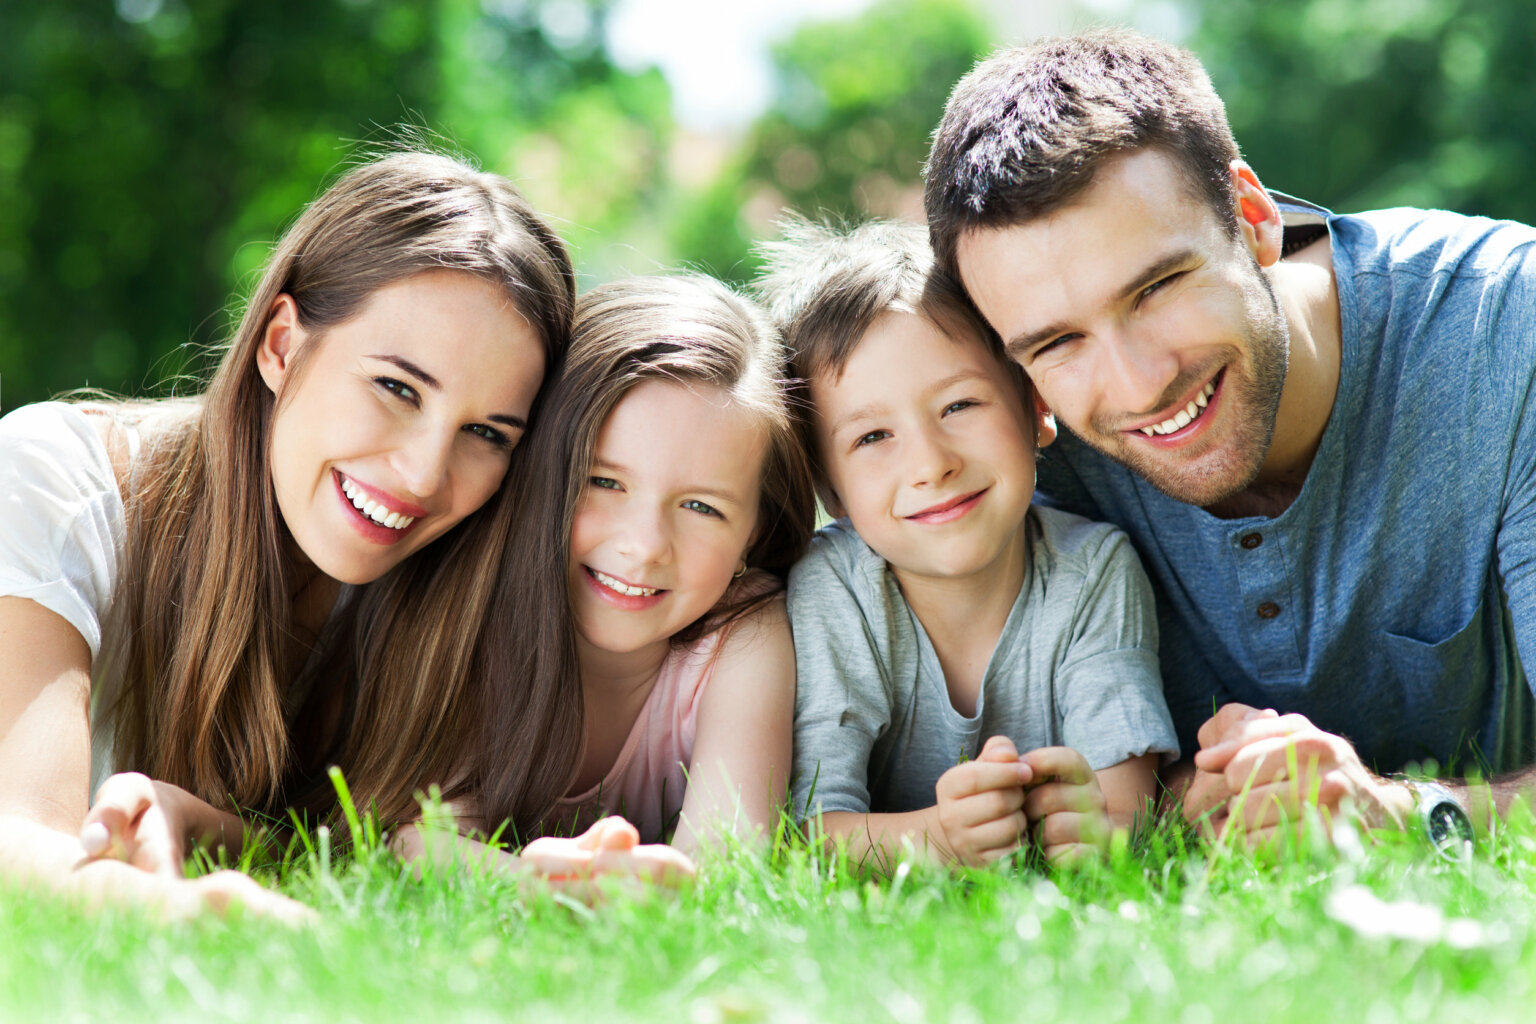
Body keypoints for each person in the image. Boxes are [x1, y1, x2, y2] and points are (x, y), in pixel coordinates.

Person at [0, 151, 686, 919]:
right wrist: (188, 912)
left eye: (487, 433)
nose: (425, 476)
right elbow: (16, 837)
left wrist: (193, 822)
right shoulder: (54, 478)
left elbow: (356, 848)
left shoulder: (453, 581)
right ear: (281, 344)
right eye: (397, 388)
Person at [922, 28, 1536, 846]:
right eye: (1057, 343)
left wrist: (1397, 815)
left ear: (1253, 218)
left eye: (1158, 288)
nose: (1140, 384)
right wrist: (1151, 798)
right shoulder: (1012, 453)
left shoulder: (1509, 330)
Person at [755, 218, 1177, 868]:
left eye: (959, 406)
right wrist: (938, 839)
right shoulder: (833, 589)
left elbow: (1125, 811)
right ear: (829, 491)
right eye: (872, 438)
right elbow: (809, 832)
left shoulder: (1094, 570)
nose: (930, 464)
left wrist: (1090, 824)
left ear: (1038, 407)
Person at [479, 274, 816, 854]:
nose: (645, 545)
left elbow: (726, 861)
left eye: (701, 506)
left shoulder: (742, 632)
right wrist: (538, 884)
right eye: (604, 481)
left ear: (752, 534)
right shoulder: (475, 600)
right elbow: (421, 833)